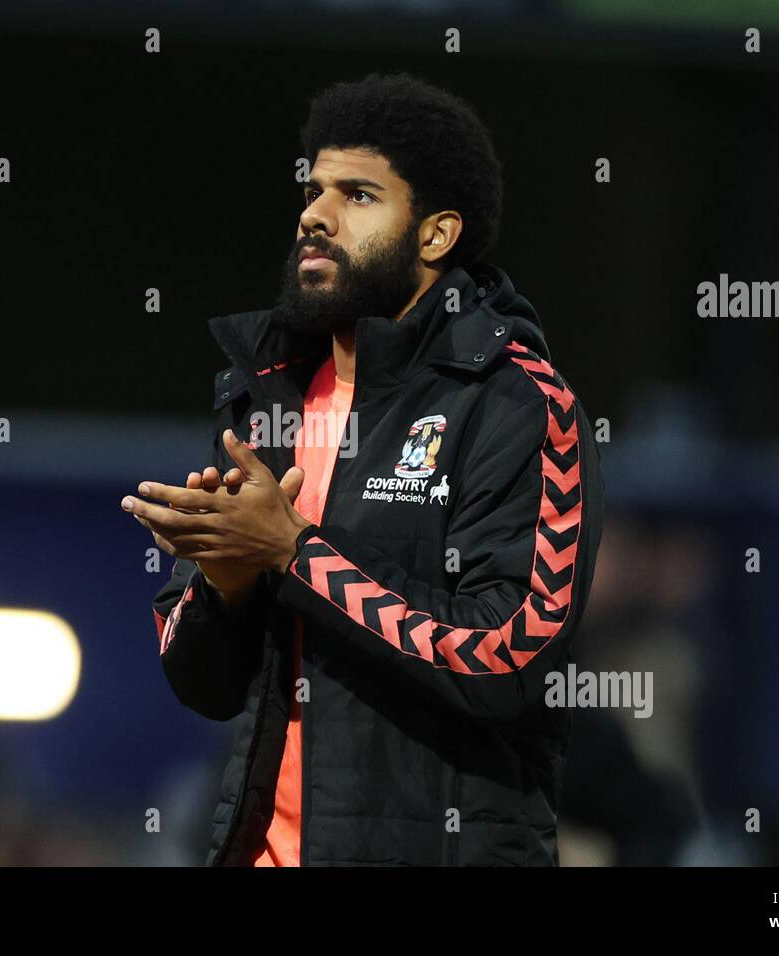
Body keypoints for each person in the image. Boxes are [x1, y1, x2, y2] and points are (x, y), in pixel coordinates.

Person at [123, 73, 604, 866]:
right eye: (314, 190)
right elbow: (204, 688)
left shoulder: (519, 405)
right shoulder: (268, 400)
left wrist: (293, 554)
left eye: (357, 194)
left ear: (436, 234)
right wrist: (223, 581)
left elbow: (511, 655)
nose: (314, 215)